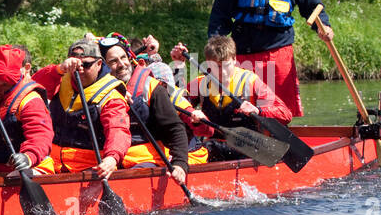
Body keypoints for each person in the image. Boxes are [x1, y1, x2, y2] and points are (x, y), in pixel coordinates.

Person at [98, 34, 193, 179]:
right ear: (102, 66)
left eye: (123, 58)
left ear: (129, 58)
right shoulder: (97, 90)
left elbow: (175, 127)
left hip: (146, 161)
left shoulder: (153, 88)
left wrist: (180, 164)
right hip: (110, 160)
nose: (122, 64)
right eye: (113, 61)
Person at [32, 39, 130, 177]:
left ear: (99, 64)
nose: (80, 69)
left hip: (89, 168)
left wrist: (112, 158)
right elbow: (31, 86)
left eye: (86, 64)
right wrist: (58, 69)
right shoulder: (60, 80)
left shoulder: (111, 95)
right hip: (50, 164)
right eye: (75, 64)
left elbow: (118, 130)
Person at [186, 34, 291, 160]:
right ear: (208, 63)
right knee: (206, 146)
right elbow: (176, 105)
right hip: (215, 146)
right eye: (217, 66)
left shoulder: (251, 81)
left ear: (234, 59)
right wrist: (192, 114)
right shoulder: (199, 83)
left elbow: (285, 114)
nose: (222, 71)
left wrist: (258, 111)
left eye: (226, 65)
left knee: (210, 146)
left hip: (251, 147)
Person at [0, 44, 54, 175]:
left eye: (5, 86)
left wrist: (28, 156)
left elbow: (41, 136)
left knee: (16, 176)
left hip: (27, 166)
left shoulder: (30, 100)